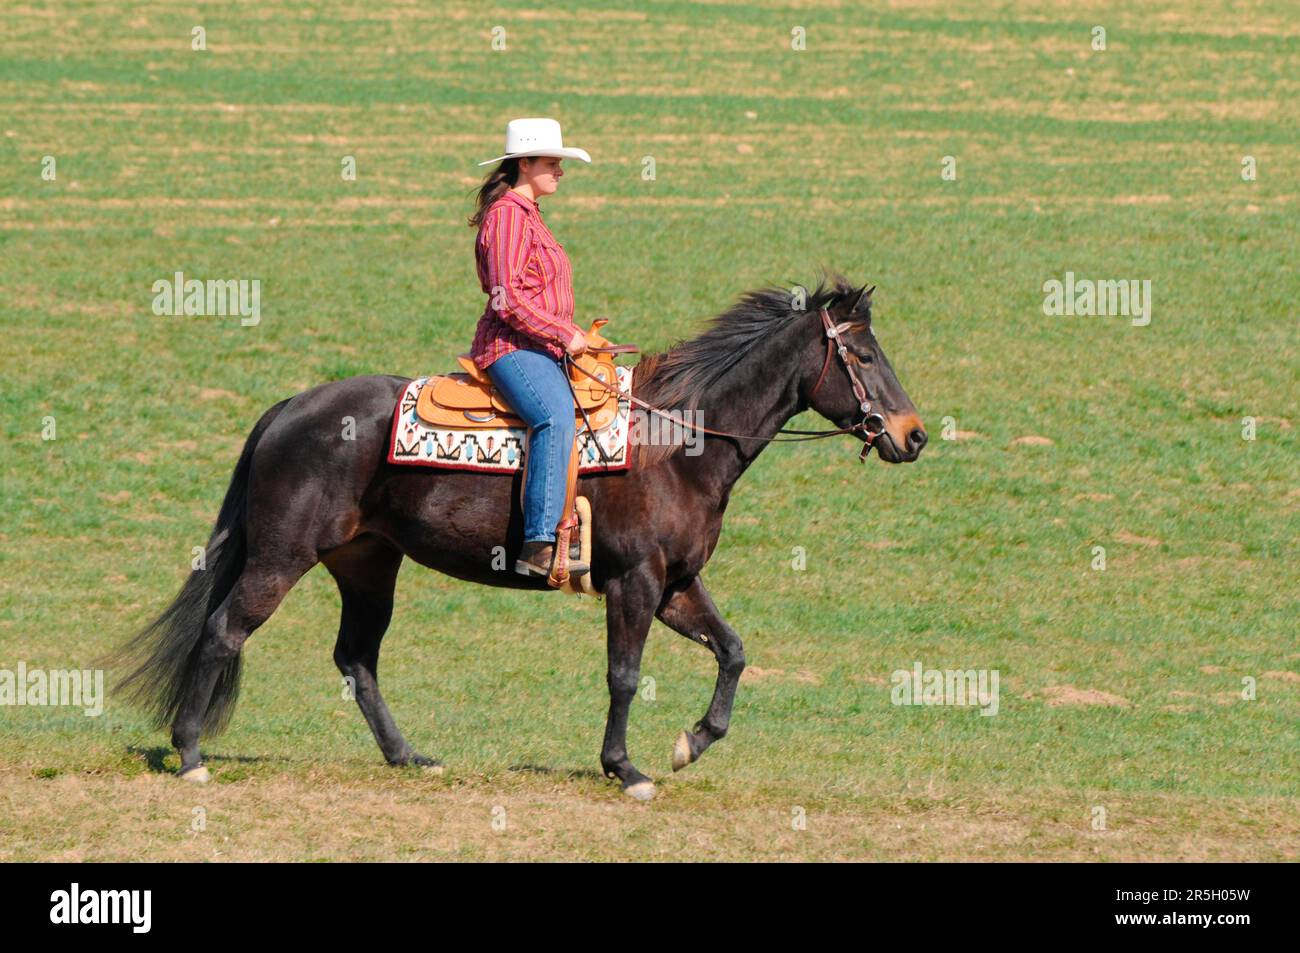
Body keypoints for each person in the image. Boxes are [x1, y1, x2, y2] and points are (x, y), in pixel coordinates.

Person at [468, 118, 592, 578]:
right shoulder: (506, 217)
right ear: (524, 163)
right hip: (510, 348)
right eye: (552, 163)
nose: (560, 171)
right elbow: (508, 299)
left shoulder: (530, 215)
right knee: (554, 418)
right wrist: (563, 335)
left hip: (540, 346)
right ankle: (538, 542)